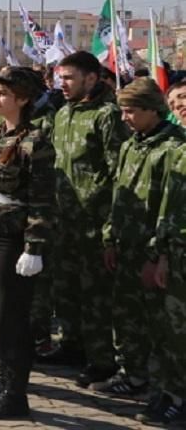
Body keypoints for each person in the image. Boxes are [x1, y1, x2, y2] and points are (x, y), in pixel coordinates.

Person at [0, 66, 54, 419]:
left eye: (3, 93)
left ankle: (16, 395)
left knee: (12, 319)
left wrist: (34, 247)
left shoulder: (36, 141)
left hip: (14, 240)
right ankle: (2, 384)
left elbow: (42, 199)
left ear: (23, 98)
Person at [37, 50, 128, 387]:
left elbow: (119, 174)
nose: (62, 84)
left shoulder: (107, 116)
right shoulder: (63, 114)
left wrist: (109, 228)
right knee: (65, 289)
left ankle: (101, 360)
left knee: (96, 296)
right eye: (60, 78)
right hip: (64, 221)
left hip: (94, 223)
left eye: (69, 78)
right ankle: (71, 346)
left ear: (91, 78)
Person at [100, 78, 184, 408]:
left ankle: (170, 393)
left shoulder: (174, 149)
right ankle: (132, 375)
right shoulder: (131, 145)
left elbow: (169, 208)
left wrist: (157, 254)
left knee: (162, 326)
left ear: (153, 110)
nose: (124, 118)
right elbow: (119, 195)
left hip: (154, 249)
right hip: (126, 245)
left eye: (131, 111)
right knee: (125, 316)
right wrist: (110, 237)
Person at [146, 101, 186, 425]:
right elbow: (169, 207)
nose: (180, 107)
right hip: (176, 254)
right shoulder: (180, 148)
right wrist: (162, 253)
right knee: (175, 331)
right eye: (174, 103)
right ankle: (175, 396)